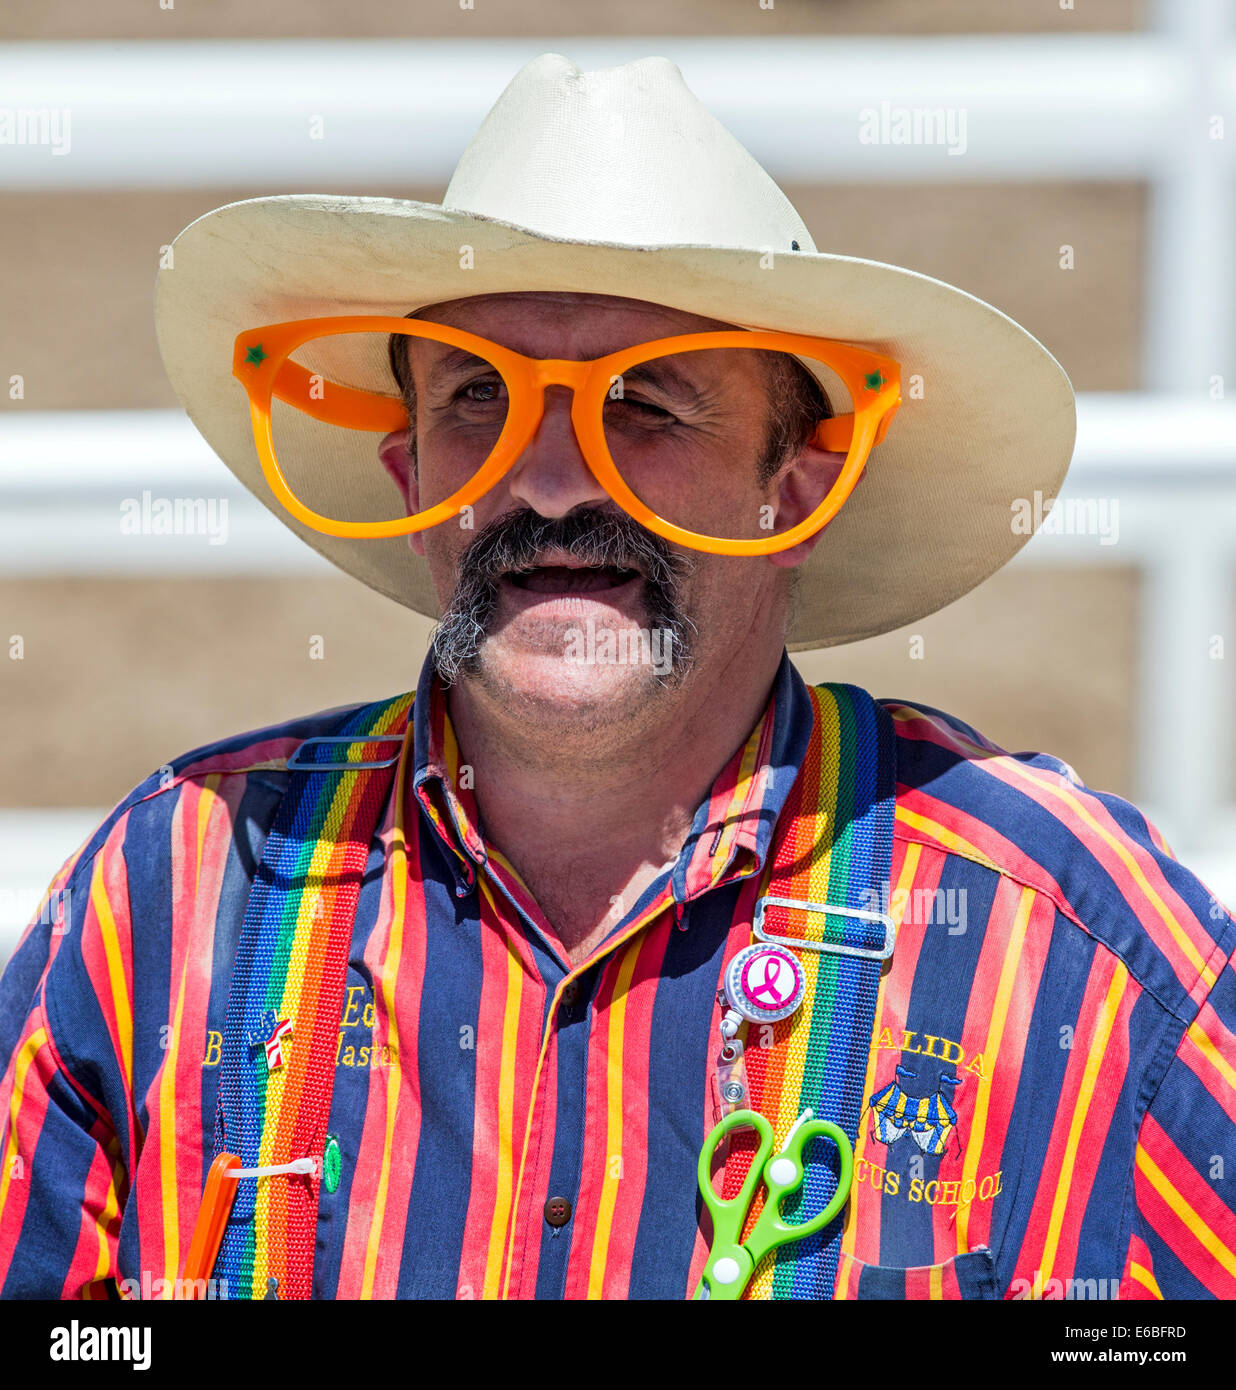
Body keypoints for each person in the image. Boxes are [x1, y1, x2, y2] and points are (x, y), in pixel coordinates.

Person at [1, 52, 1232, 1302]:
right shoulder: (167, 902)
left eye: (644, 404)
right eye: (480, 397)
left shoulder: (1085, 960)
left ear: (797, 485)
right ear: (411, 476)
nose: (548, 482)